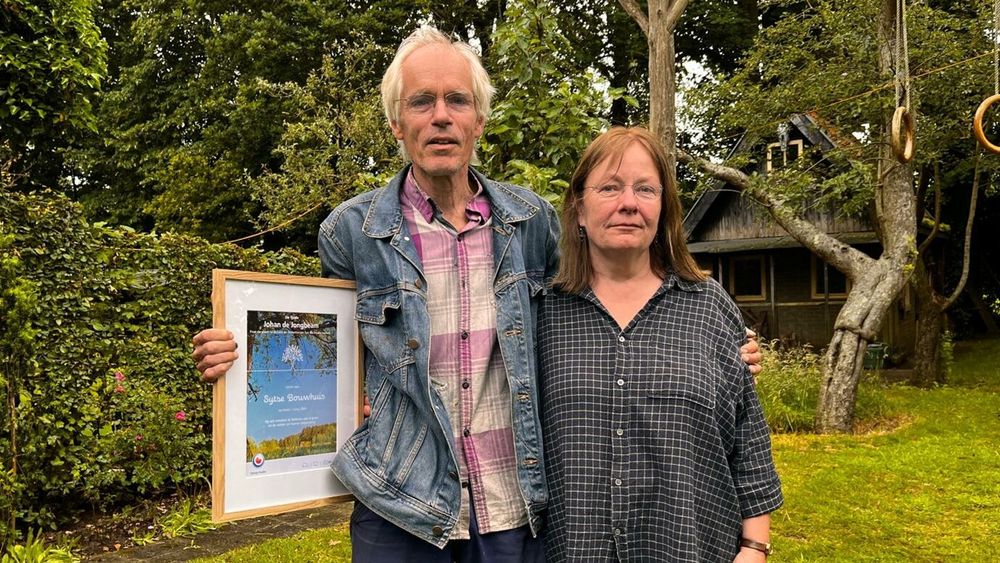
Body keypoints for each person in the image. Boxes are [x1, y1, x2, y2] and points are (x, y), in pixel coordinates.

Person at [191, 27, 764, 562]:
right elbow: (321, 344)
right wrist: (241, 357)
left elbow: (609, 281)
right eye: (421, 102)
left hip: (513, 506)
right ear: (397, 122)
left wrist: (706, 343)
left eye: (457, 101)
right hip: (401, 507)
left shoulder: (532, 222)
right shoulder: (351, 231)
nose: (441, 117)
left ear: (479, 119)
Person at [537, 127, 782, 562]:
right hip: (573, 549)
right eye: (610, 187)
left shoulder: (709, 307)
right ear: (578, 208)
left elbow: (748, 438)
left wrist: (754, 547)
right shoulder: (542, 314)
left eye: (645, 189)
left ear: (663, 208)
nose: (628, 203)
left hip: (691, 547)